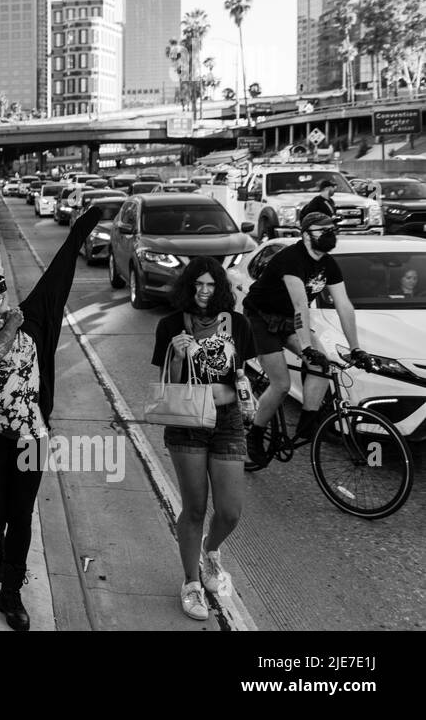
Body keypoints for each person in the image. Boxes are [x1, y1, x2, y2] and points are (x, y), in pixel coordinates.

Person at [0, 205, 104, 631]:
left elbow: (57, 277)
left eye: (0, 287)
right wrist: (10, 321)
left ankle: (12, 592)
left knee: (22, 516)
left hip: (31, 437)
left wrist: (80, 230)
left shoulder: (33, 319)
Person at [152, 258, 254, 621]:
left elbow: (241, 373)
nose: (204, 292)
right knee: (194, 508)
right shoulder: (170, 326)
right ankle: (191, 583)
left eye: (212, 286)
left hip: (227, 422)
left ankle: (211, 552)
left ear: (221, 288)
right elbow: (170, 385)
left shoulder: (237, 325)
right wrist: (179, 356)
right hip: (186, 424)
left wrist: (248, 395)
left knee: (229, 511)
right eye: (198, 285)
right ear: (188, 287)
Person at [241, 212, 370, 468]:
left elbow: (344, 305)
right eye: (322, 231)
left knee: (322, 367)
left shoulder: (328, 264)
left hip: (289, 320)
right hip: (260, 318)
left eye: (331, 229)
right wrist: (307, 347)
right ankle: (254, 435)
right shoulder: (291, 259)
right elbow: (301, 305)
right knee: (281, 385)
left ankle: (308, 423)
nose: (329, 234)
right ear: (306, 234)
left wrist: (356, 348)